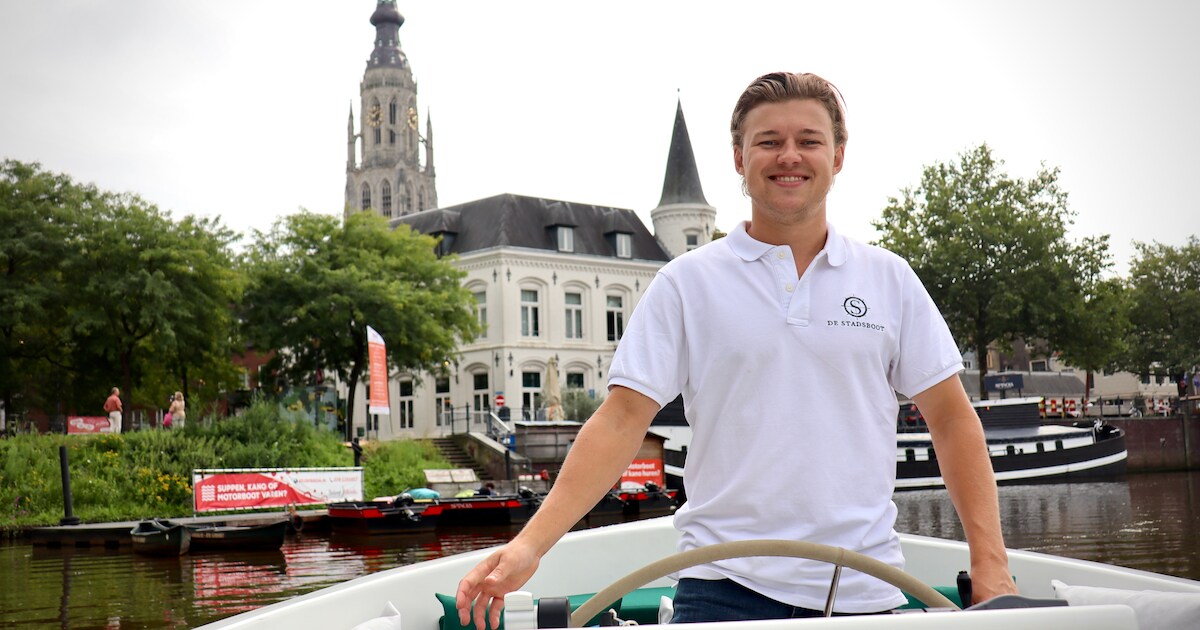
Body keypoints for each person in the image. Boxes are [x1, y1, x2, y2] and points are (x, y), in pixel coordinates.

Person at [455, 72, 1016, 625]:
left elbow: (950, 419)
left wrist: (991, 567)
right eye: (769, 142)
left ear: (838, 156)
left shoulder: (889, 280)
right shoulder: (685, 283)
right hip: (722, 587)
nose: (788, 156)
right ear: (739, 159)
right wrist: (529, 545)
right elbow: (622, 420)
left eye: (809, 141)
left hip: (866, 591)